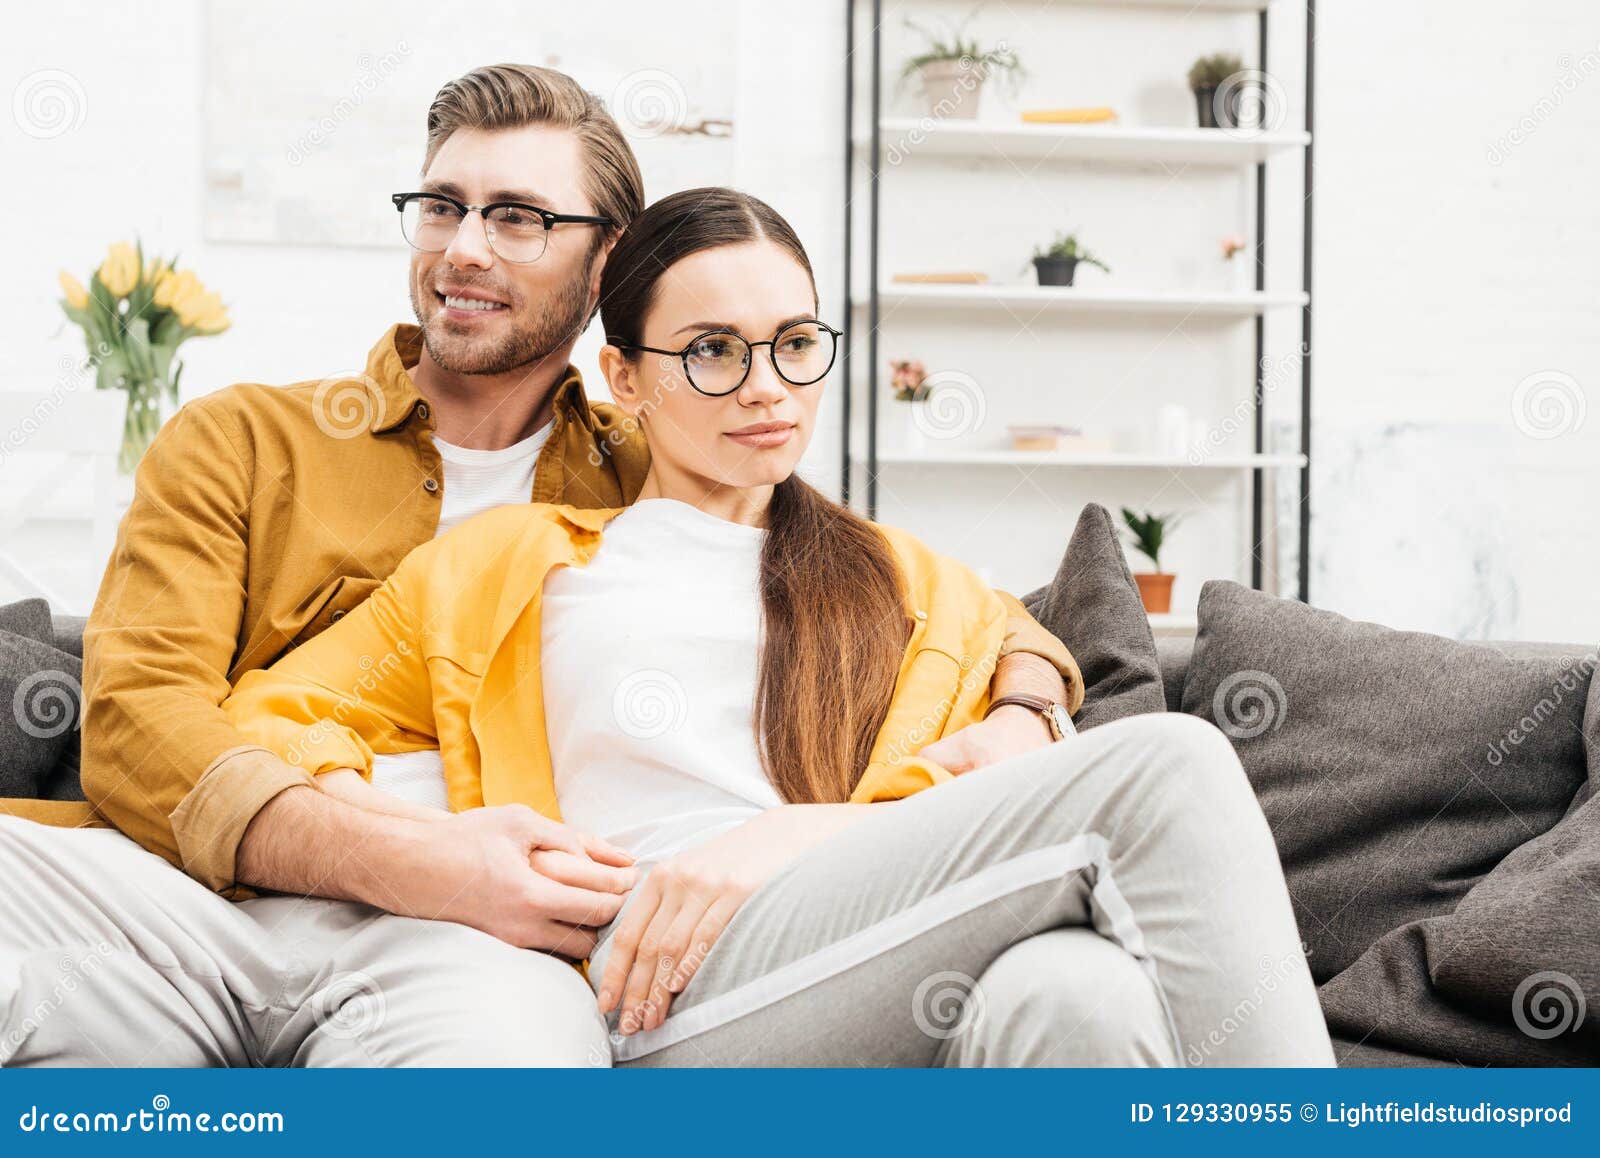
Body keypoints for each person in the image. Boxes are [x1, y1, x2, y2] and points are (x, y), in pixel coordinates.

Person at [0, 65, 1076, 1067]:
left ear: (610, 264)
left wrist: (1023, 713)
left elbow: (944, 603)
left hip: (480, 957)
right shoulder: (243, 440)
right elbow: (139, 719)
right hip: (193, 896)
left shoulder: (655, 466)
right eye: (442, 206)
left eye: (517, 218)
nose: (464, 247)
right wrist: (404, 856)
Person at [219, 187, 1336, 1067]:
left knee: (1073, 998)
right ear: (625, 377)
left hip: (847, 952)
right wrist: (440, 850)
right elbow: (268, 721)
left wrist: (799, 831)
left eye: (795, 343)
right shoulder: (511, 562)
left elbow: (1020, 645)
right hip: (646, 980)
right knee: (1171, 765)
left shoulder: (892, 571)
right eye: (713, 350)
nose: (769, 389)